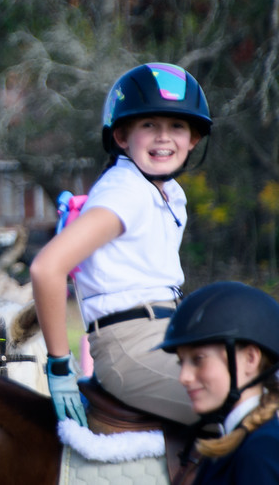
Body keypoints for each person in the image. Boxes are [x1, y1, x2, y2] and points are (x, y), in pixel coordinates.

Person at [30, 62, 212, 427]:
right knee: (241, 406)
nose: (164, 137)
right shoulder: (126, 190)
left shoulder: (168, 193)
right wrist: (60, 365)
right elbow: (46, 268)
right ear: (122, 137)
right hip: (130, 347)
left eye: (176, 126)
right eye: (149, 125)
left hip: (172, 335)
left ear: (193, 138)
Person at [157, 281, 279, 484]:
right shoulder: (228, 447)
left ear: (250, 359)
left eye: (198, 359)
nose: (183, 377)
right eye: (182, 363)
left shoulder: (261, 451)